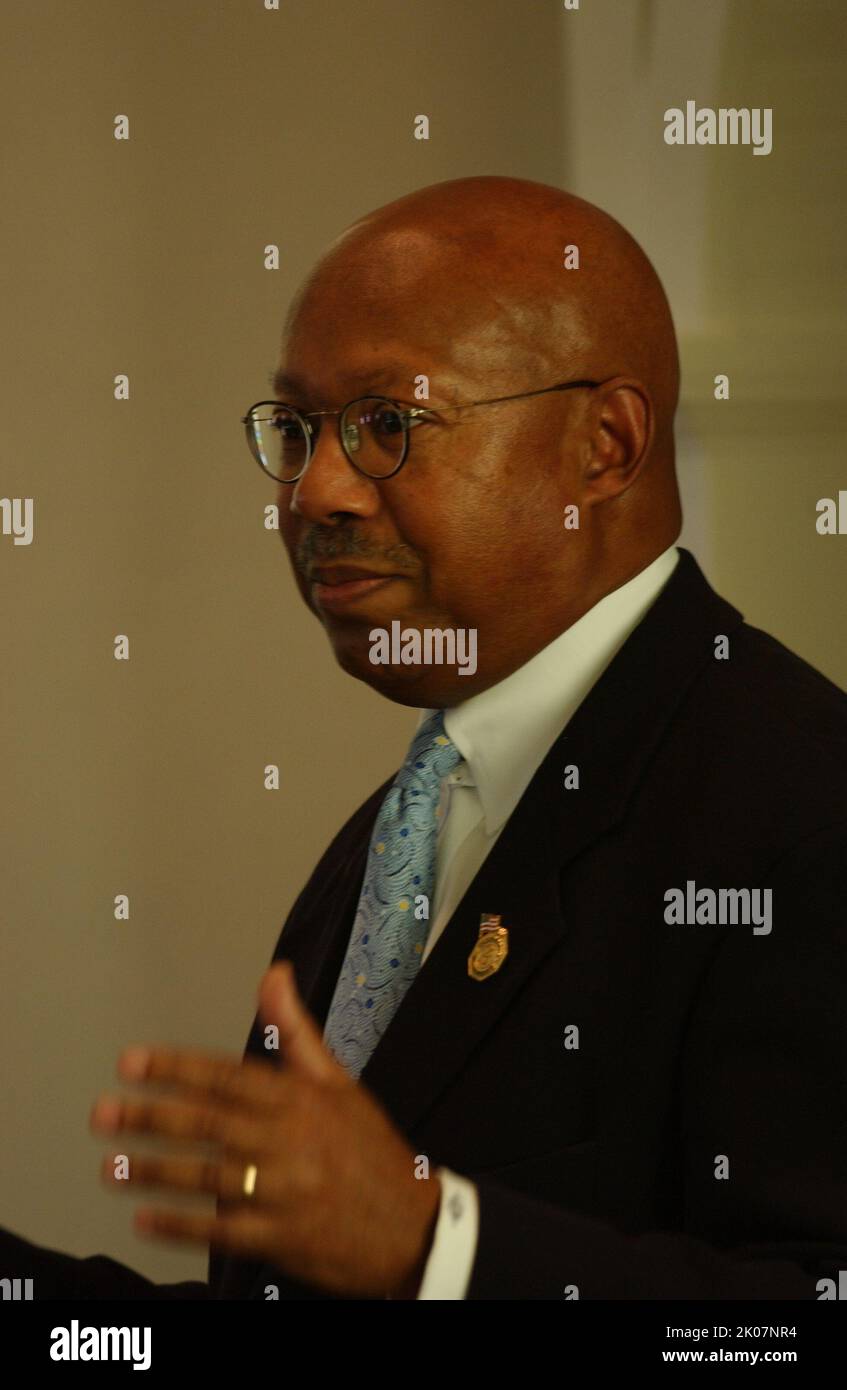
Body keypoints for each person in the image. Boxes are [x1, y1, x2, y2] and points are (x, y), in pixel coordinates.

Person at [2, 175, 846, 1300]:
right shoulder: (403, 829)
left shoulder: (804, 806)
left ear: (604, 446)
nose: (316, 492)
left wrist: (440, 1246)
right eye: (297, 430)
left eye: (388, 423)